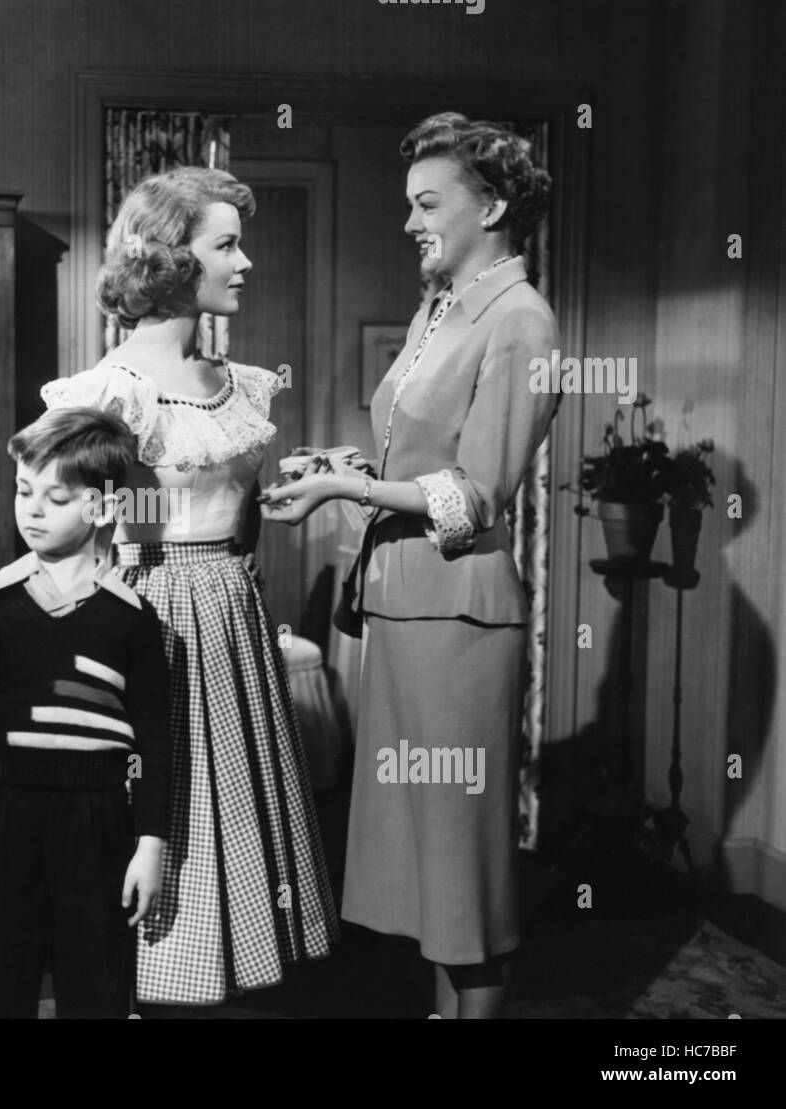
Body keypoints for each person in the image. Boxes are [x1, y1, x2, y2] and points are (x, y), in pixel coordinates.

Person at [259, 112, 559, 1018]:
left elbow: (474, 496)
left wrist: (349, 498)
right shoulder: (440, 306)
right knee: (431, 873)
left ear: (494, 205)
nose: (409, 222)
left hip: (458, 624)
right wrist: (348, 469)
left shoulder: (522, 322)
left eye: (428, 203)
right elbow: (419, 456)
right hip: (398, 612)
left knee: (462, 872)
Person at [43, 166, 339, 1008]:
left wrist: (298, 490)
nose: (244, 263)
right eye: (226, 245)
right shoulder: (108, 393)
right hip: (151, 607)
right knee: (159, 808)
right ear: (172, 259)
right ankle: (152, 978)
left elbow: (231, 509)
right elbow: (76, 527)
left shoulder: (241, 383)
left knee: (233, 818)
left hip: (234, 613)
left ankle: (223, 969)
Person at [0, 407, 171, 1018]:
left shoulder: (132, 617)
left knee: (94, 982)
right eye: (23, 490)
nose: (32, 509)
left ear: (102, 509)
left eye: (55, 497)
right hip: (2, 814)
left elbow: (153, 742)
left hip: (95, 822)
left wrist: (150, 843)